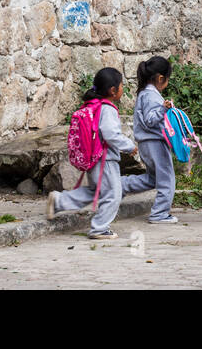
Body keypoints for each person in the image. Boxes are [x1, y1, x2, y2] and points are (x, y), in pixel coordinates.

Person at [47, 68, 137, 240]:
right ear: (112, 90)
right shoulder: (107, 109)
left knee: (96, 191)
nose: (122, 89)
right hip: (105, 161)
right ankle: (99, 228)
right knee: (113, 194)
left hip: (94, 159)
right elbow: (111, 134)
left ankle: (59, 202)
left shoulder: (93, 105)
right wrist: (129, 146)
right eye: (121, 86)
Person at [121, 55, 179, 224]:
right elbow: (150, 120)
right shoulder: (151, 96)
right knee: (167, 179)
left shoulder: (145, 94)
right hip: (155, 143)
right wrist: (163, 109)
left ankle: (121, 185)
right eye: (167, 79)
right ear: (161, 78)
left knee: (152, 179)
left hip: (147, 143)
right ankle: (159, 214)